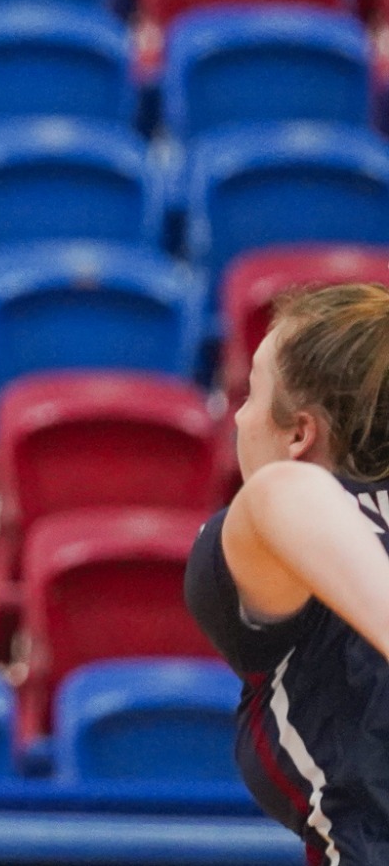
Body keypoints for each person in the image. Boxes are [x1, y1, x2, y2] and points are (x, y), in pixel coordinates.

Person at [185, 283, 389, 860]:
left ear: (299, 433)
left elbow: (282, 492)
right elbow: (290, 499)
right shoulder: (299, 536)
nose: (239, 418)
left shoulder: (274, 512)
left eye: (251, 393)